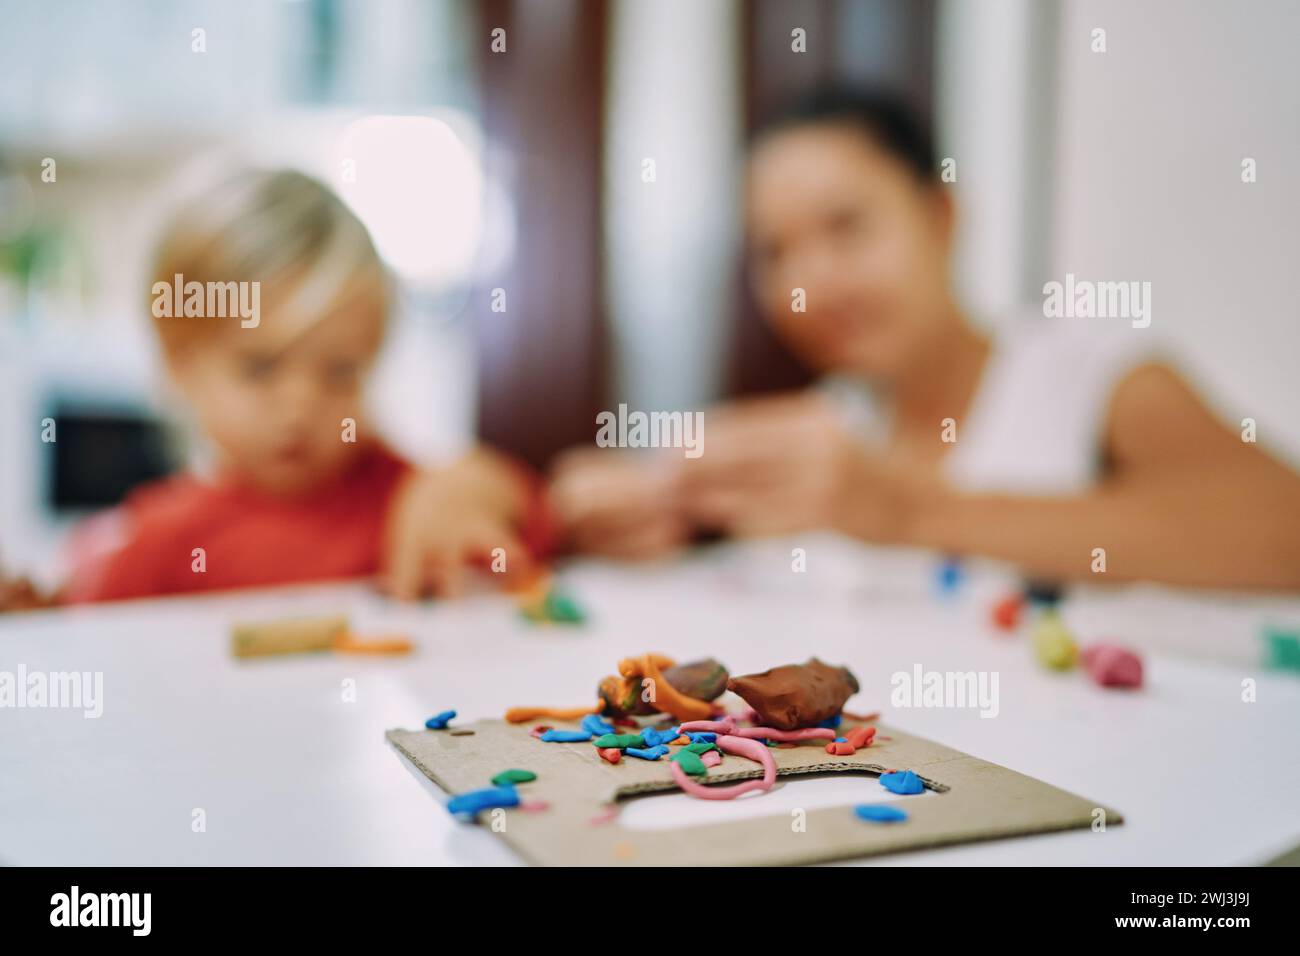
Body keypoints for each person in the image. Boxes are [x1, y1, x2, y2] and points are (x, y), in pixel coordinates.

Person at [552, 90, 1300, 590]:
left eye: (847, 227)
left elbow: (1284, 533)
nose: (810, 284)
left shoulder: (1096, 378)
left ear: (941, 218)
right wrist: (660, 515)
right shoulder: (838, 418)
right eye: (775, 252)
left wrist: (908, 513)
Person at [65, 168, 548, 603]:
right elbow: (92, 649)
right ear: (180, 363)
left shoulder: (403, 500)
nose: (301, 405)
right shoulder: (157, 545)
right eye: (261, 368)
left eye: (341, 372)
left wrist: (475, 488)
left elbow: (538, 522)